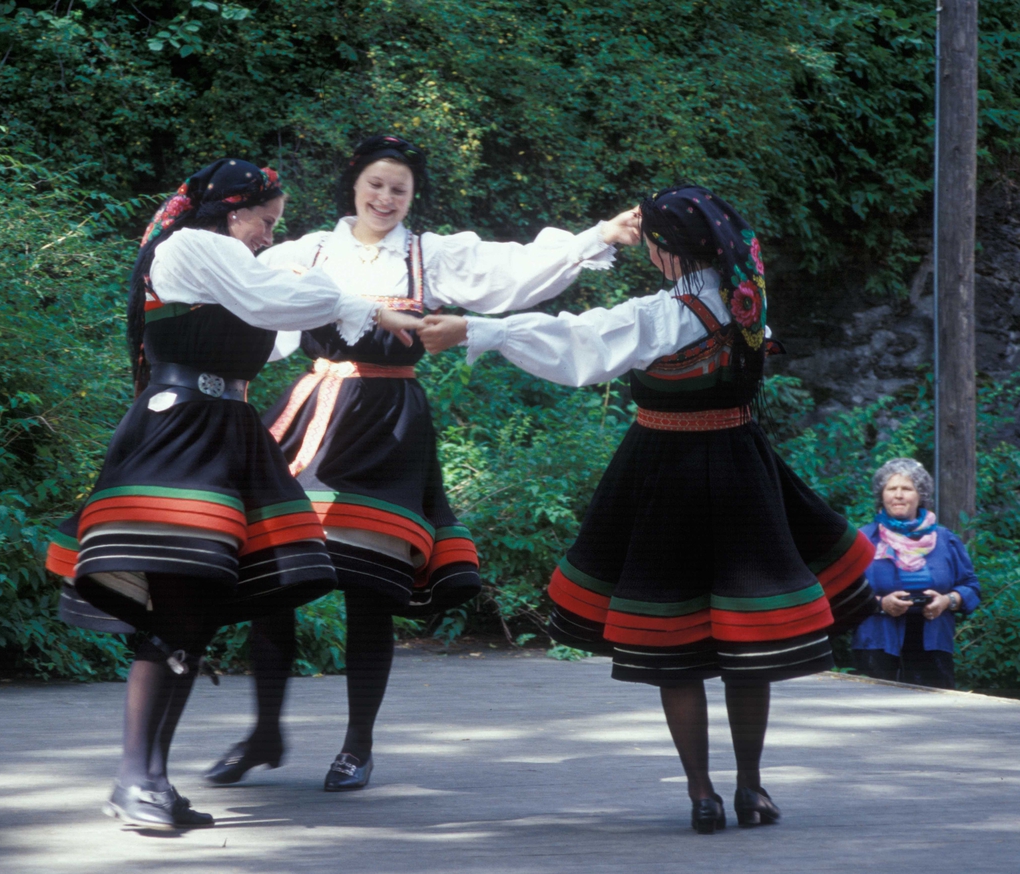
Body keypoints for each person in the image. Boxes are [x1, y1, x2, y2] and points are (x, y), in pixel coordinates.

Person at [417, 185, 878, 833]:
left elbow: (578, 342)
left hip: (666, 476)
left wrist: (478, 329)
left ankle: (702, 794)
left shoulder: (662, 316)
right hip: (742, 470)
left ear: (667, 250)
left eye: (655, 246)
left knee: (674, 640)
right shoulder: (747, 301)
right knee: (746, 636)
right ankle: (751, 788)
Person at [205, 135, 635, 792]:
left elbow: (515, 270)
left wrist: (600, 234)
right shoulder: (307, 252)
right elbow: (243, 300)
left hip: (388, 426)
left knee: (370, 586)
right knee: (274, 573)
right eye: (375, 185)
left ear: (411, 197)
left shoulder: (428, 256)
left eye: (398, 189)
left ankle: (357, 746)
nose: (385, 198)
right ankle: (265, 731)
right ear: (354, 186)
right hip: (312, 413)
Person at [44, 158, 416, 829]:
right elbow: (282, 302)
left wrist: (332, 298)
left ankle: (150, 781)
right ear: (233, 211)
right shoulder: (194, 245)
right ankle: (135, 780)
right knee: (176, 607)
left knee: (195, 614)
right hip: (182, 434)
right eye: (266, 222)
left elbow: (274, 331)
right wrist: (346, 298)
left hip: (220, 434)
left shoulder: (230, 267)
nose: (270, 236)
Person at [851, 458, 980, 689]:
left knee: (934, 708)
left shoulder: (945, 540)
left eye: (907, 489)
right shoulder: (864, 540)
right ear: (882, 495)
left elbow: (971, 587)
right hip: (876, 641)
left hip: (933, 642)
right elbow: (843, 592)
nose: (898, 495)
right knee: (875, 706)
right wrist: (881, 604)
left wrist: (947, 601)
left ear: (921, 495)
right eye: (891, 488)